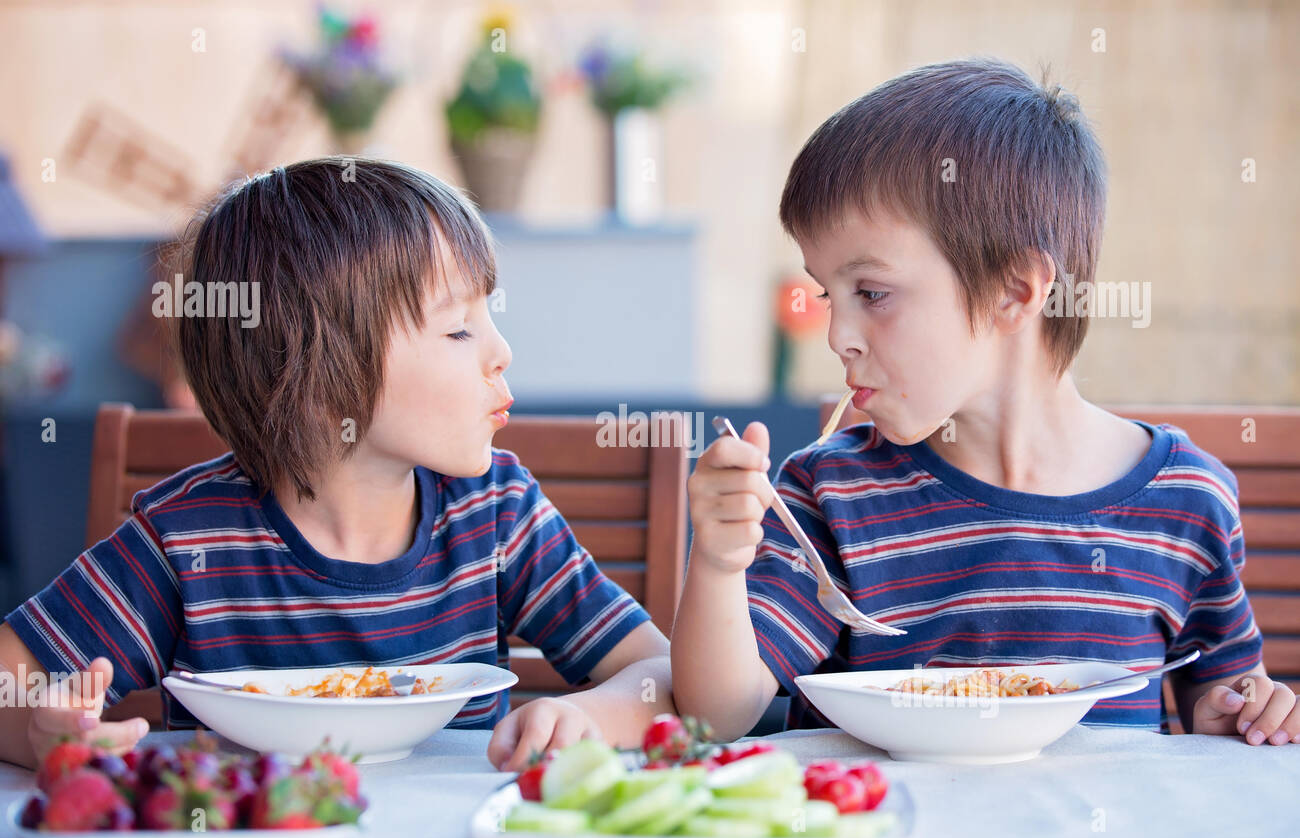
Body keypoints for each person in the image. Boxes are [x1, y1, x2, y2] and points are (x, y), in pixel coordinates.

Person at [672, 58, 1297, 746]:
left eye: (872, 294)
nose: (838, 336)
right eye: (828, 295)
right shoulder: (834, 492)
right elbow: (716, 712)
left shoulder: (1185, 500)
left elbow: (1225, 697)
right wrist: (720, 563)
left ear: (1015, 290)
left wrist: (1243, 712)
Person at [0, 157, 672, 773]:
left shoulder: (495, 513)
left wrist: (587, 716)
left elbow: (660, 675)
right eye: (459, 329)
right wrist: (43, 733)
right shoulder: (190, 538)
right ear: (319, 374)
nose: (502, 353)